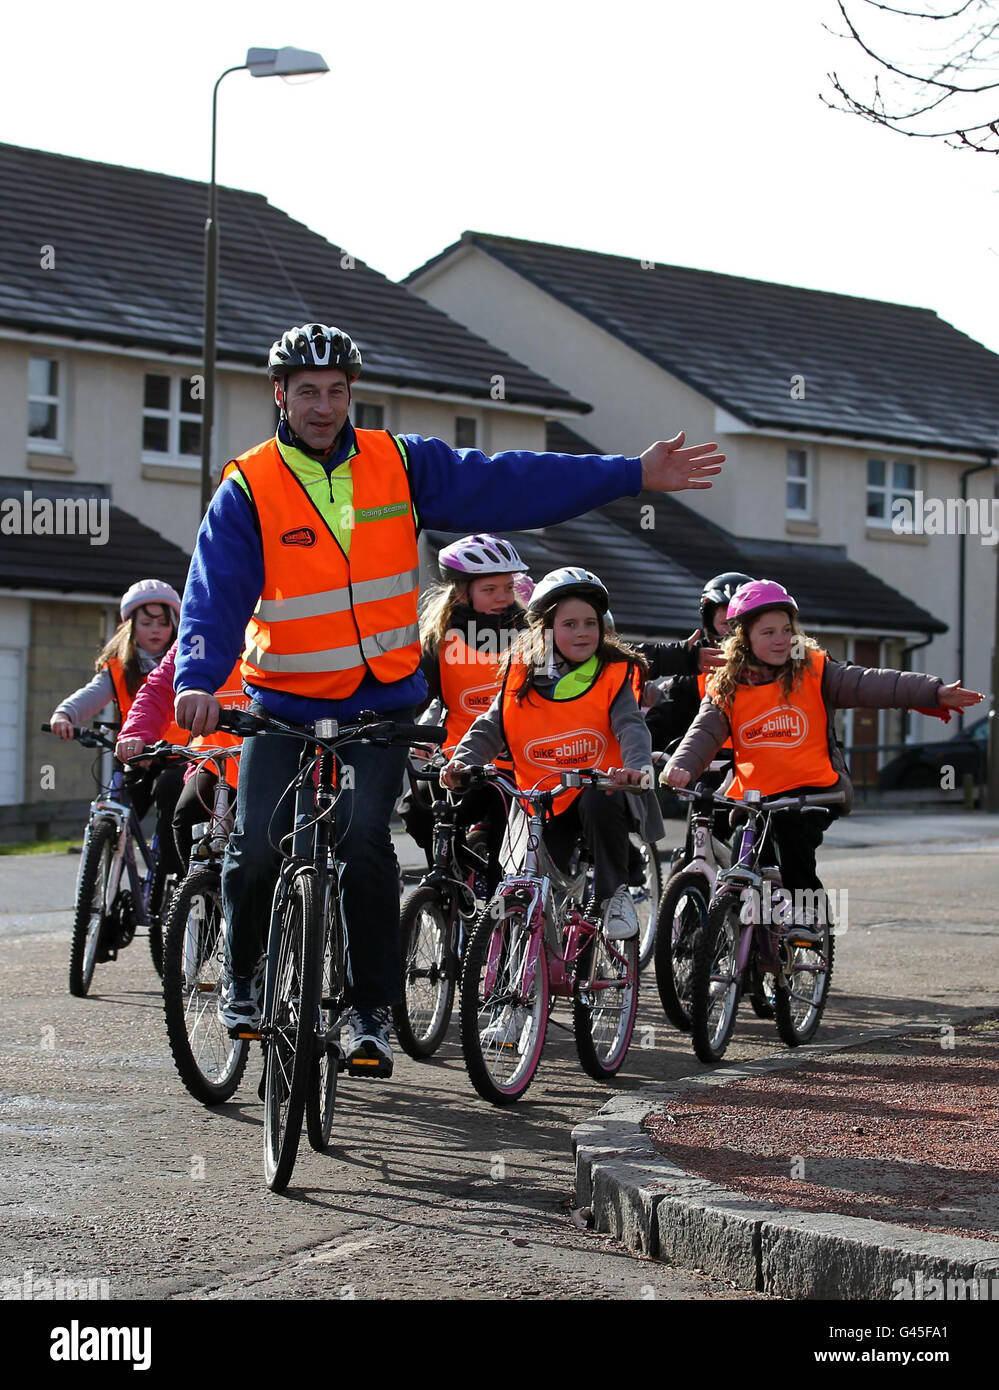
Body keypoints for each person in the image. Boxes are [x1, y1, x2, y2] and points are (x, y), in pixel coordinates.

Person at [173, 322, 724, 1077]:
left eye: (336, 392)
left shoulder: (397, 464)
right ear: (280, 395)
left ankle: (368, 1014)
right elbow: (214, 590)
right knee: (258, 846)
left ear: (351, 394)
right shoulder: (250, 484)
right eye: (307, 392)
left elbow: (510, 480)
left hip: (379, 706)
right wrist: (198, 679)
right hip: (283, 701)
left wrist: (628, 474)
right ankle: (240, 985)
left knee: (365, 848)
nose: (324, 406)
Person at [663, 579, 983, 912]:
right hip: (755, 794)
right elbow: (704, 730)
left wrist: (932, 692)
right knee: (748, 853)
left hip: (812, 790)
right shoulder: (725, 685)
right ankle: (750, 941)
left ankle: (807, 916)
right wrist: (681, 766)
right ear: (743, 638)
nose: (780, 640)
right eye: (768, 632)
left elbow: (870, 684)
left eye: (786, 630)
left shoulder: (814, 669)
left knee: (792, 838)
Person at [443, 567, 664, 938]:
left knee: (600, 800)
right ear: (546, 629)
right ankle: (532, 959)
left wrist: (637, 767)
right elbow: (491, 725)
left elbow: (631, 725)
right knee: (534, 884)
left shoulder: (613, 674)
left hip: (600, 791)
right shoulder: (521, 674)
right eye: (570, 624)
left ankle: (614, 898)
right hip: (543, 796)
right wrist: (463, 760)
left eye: (590, 623)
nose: (582, 632)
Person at [402, 533, 530, 890]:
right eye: (490, 590)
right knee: (418, 811)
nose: (503, 598)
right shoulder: (439, 639)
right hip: (456, 762)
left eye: (508, 587)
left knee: (506, 856)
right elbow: (414, 696)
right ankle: (448, 887)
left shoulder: (532, 637)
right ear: (462, 592)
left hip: (517, 768)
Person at [48, 579, 186, 877]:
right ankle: (104, 891)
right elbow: (91, 695)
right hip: (136, 754)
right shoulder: (121, 668)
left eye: (163, 623)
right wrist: (65, 715)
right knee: (116, 802)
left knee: (170, 794)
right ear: (131, 627)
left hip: (179, 757)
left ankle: (172, 876)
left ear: (175, 625)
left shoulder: (185, 663)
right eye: (147, 623)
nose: (155, 630)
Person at [115, 642, 248, 873]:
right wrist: (137, 732)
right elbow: (160, 688)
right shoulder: (202, 632)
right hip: (213, 762)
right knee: (187, 816)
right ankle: (194, 897)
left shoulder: (271, 627)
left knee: (263, 845)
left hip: (268, 759)